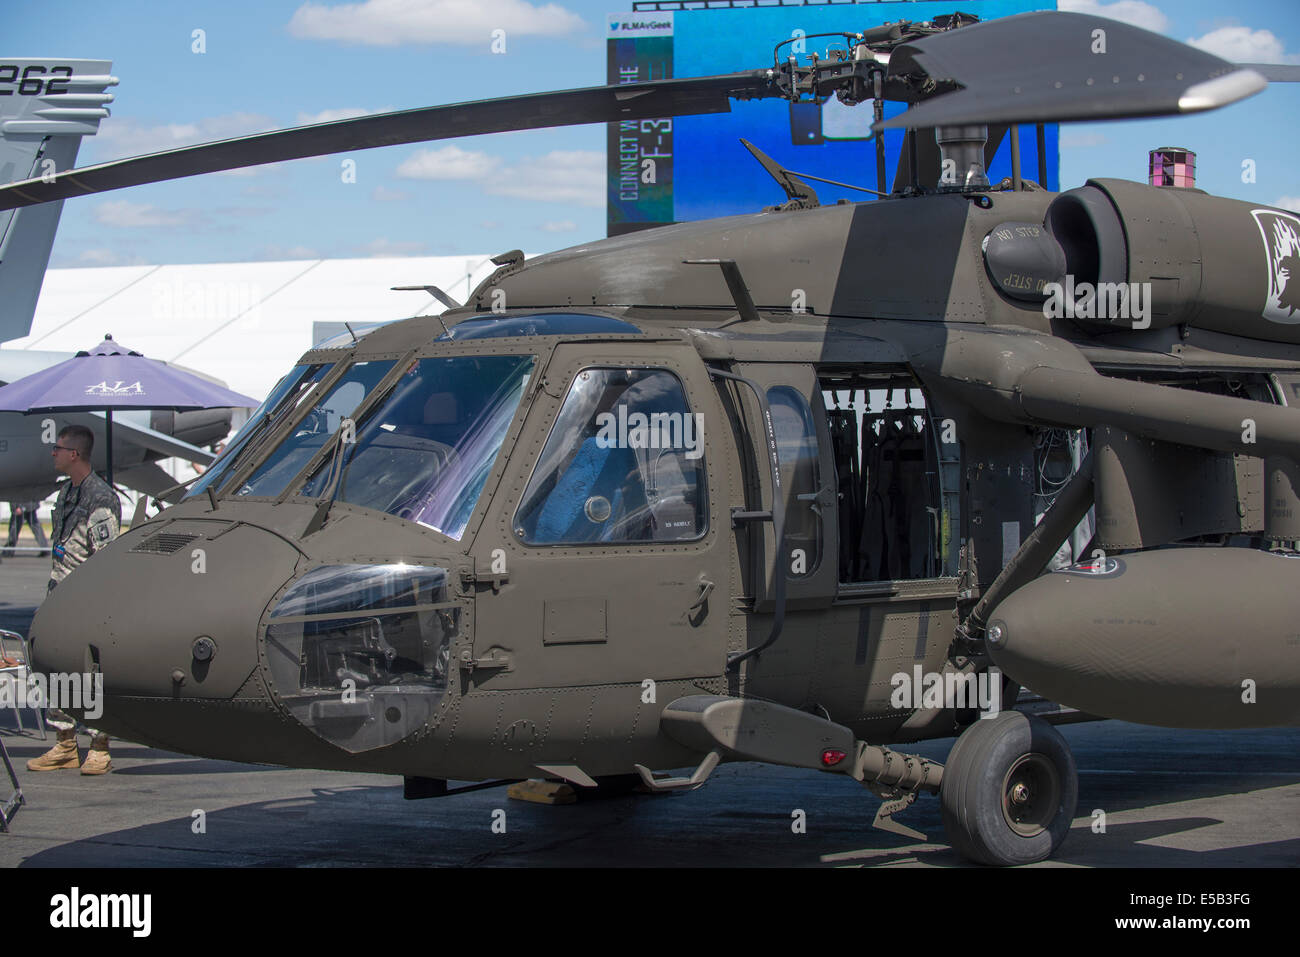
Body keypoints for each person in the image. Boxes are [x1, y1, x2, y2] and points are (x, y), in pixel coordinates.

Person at [26, 425, 121, 776]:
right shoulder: (67, 493)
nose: (53, 452)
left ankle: (99, 745)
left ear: (74, 454)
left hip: (86, 600)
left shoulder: (101, 497)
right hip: (59, 596)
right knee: (54, 667)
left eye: (58, 447)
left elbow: (106, 557)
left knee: (89, 671)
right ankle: (65, 742)